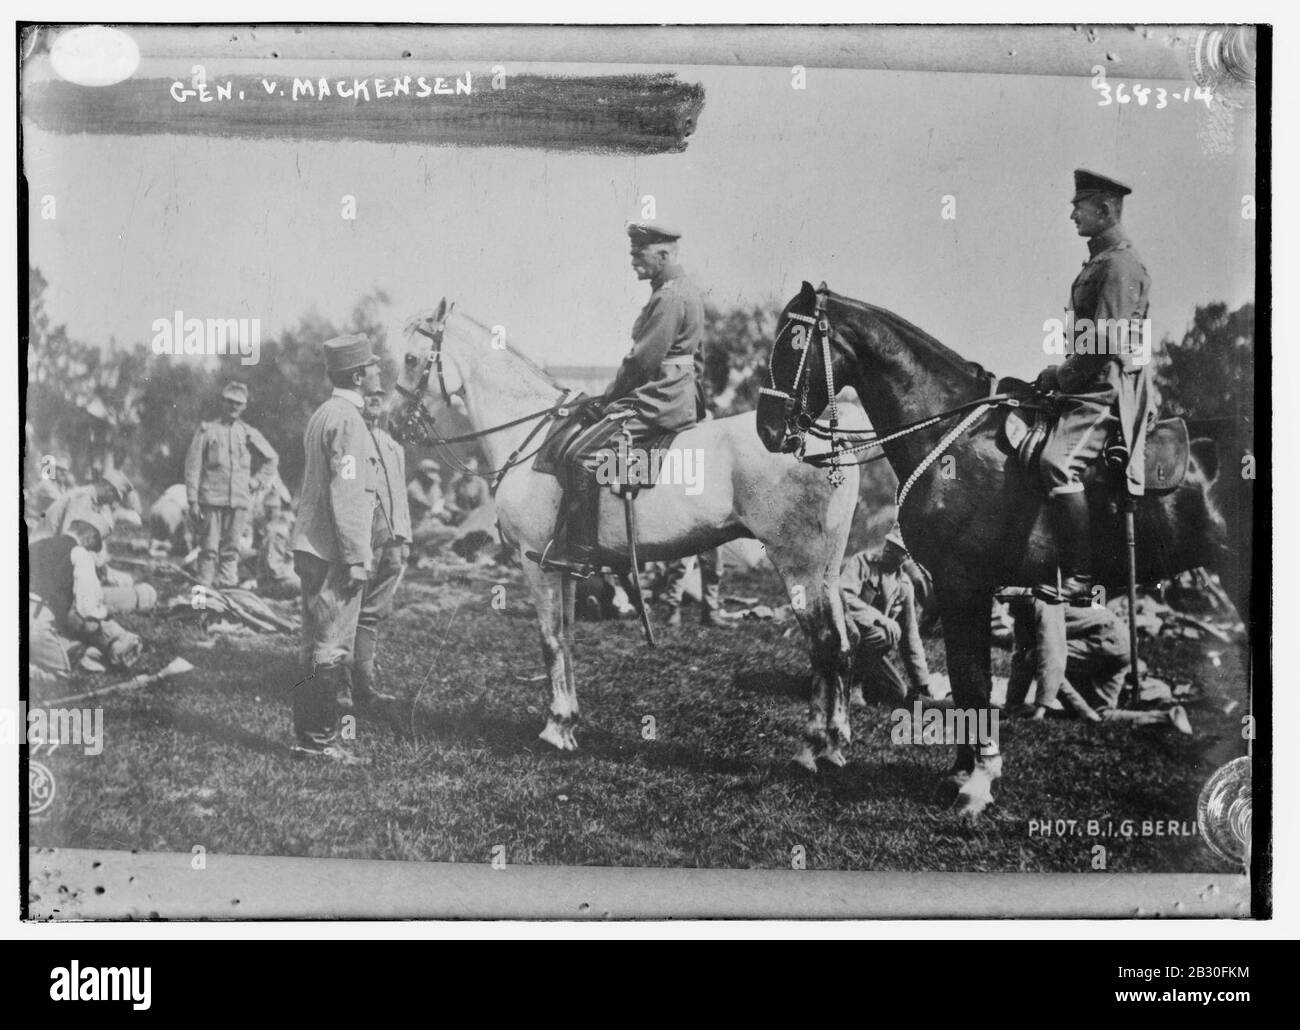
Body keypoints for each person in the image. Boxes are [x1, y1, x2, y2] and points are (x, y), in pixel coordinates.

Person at [536, 221, 705, 576]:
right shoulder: (682, 290)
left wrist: (608, 398)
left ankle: (580, 554)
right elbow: (695, 358)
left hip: (658, 397)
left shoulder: (669, 296)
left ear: (663, 254)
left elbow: (642, 362)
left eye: (638, 253)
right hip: (674, 393)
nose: (632, 261)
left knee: (581, 454)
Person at [1034, 169, 1155, 604]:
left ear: (1104, 210)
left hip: (1106, 391)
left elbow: (1104, 342)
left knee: (1056, 462)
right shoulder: (1102, 261)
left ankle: (1081, 576)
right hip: (1088, 381)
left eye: (1078, 206)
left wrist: (1060, 375)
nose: (1071, 215)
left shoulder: (1120, 264)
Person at [290, 335, 382, 763]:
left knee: (312, 643)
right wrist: (356, 556)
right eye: (374, 367)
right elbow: (346, 492)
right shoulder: (348, 419)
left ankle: (308, 738)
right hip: (333, 551)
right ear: (360, 375)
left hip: (312, 544)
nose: (380, 373)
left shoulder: (325, 413)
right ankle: (320, 742)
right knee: (330, 645)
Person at [1002, 587, 1192, 732]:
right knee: (1102, 711)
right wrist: (1013, 704)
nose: (1001, 600)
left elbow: (1050, 657)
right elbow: (1020, 654)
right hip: (1119, 644)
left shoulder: (1042, 602)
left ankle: (1085, 712)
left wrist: (1041, 710)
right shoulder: (1028, 604)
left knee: (1038, 658)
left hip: (1105, 643)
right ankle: (1167, 717)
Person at [184, 381, 279, 588]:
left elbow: (272, 458)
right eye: (230, 402)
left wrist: (256, 481)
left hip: (238, 501)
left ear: (244, 407)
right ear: (222, 402)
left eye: (239, 403)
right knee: (208, 550)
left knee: (231, 550)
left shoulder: (247, 433)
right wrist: (192, 501)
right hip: (211, 500)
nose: (234, 407)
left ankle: (228, 593)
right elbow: (193, 467)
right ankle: (202, 596)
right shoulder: (207, 431)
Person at [353, 388, 411, 704]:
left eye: (379, 395)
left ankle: (363, 687)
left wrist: (406, 538)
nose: (374, 400)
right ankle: (339, 686)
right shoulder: (350, 440)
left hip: (392, 539)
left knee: (373, 613)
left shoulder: (394, 447)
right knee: (349, 610)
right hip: (362, 539)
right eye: (367, 395)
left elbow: (399, 495)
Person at [29, 517, 145, 671]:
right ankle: (111, 644)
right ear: (90, 538)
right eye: (95, 545)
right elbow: (88, 609)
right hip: (37, 623)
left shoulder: (35, 545)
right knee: (62, 671)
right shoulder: (79, 553)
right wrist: (105, 613)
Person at [840, 526, 934, 704]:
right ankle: (850, 684)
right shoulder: (862, 562)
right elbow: (843, 597)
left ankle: (858, 680)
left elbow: (910, 638)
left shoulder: (904, 586)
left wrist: (922, 684)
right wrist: (879, 618)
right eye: (889, 543)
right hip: (843, 639)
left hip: (865, 650)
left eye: (897, 548)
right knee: (884, 635)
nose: (889, 549)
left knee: (897, 692)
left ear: (907, 557)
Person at [256, 498, 301, 598]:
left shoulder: (293, 534)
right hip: (270, 584)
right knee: (307, 585)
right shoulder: (279, 535)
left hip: (283, 580)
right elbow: (274, 570)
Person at [27, 451, 75, 530]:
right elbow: (29, 497)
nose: (62, 473)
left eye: (65, 470)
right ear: (53, 470)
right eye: (59, 469)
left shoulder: (65, 488)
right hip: (38, 523)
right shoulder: (46, 484)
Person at [147, 483, 192, 558]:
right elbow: (186, 513)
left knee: (157, 537)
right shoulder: (194, 493)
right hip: (172, 510)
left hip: (156, 507)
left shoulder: (178, 486)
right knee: (177, 542)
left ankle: (153, 548)